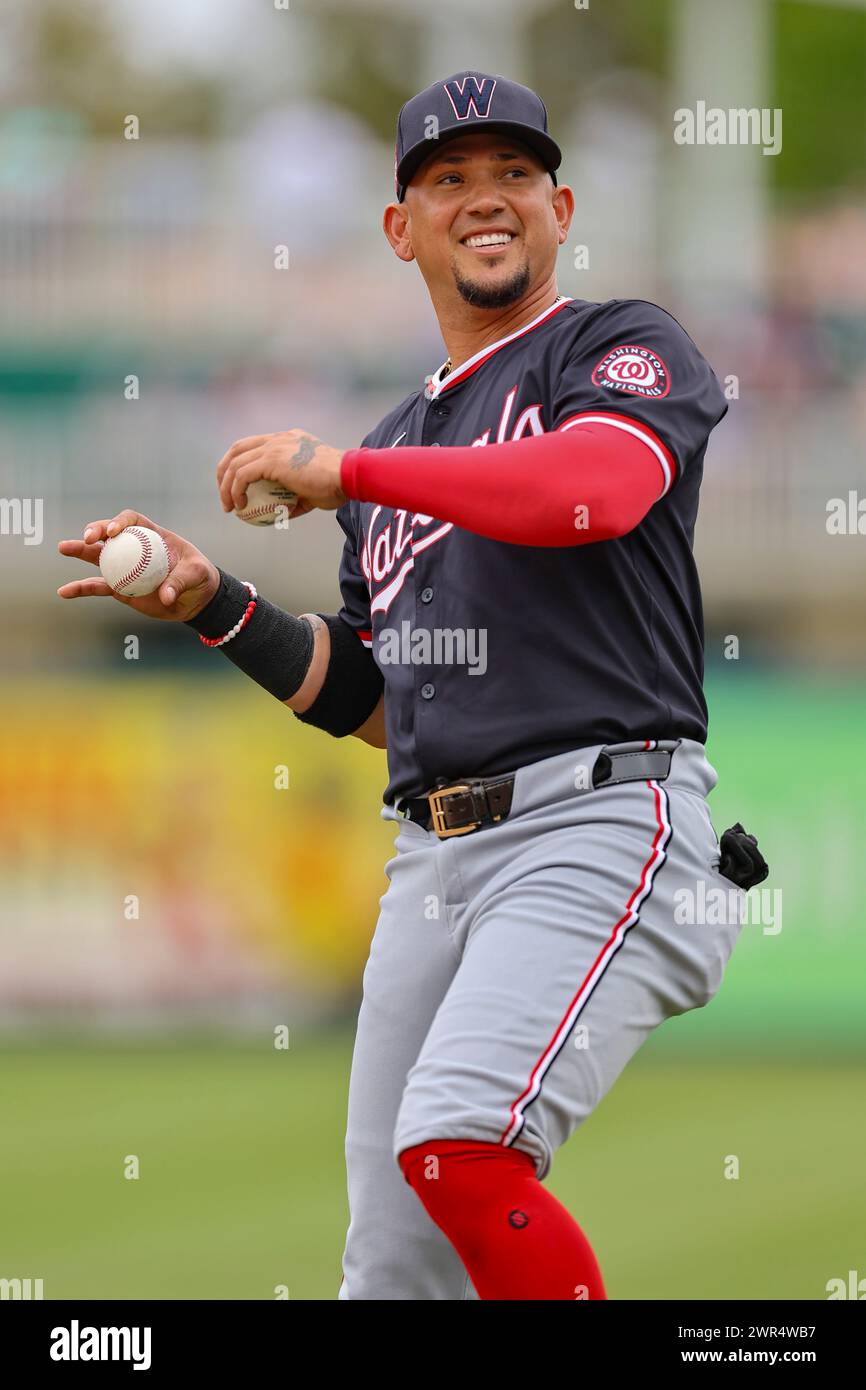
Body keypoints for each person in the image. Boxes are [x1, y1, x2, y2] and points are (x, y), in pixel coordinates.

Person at [58, 71, 766, 1301]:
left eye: (512, 176)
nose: (484, 200)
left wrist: (349, 469)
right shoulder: (398, 447)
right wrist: (211, 602)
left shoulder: (617, 345)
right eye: (448, 179)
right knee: (393, 1265)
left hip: (600, 817)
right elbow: (380, 701)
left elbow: (588, 491)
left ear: (560, 207)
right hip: (432, 859)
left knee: (459, 1144)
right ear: (401, 228)